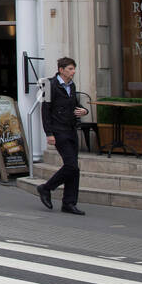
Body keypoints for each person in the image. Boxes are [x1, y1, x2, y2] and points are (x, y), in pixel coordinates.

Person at [37, 56, 89, 215]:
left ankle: (69, 203)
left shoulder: (71, 85)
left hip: (71, 129)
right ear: (61, 70)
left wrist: (84, 111)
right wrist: (49, 133)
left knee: (74, 169)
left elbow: (74, 105)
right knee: (71, 166)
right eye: (70, 69)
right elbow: (44, 111)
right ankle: (46, 188)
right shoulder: (48, 85)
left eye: (74, 69)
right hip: (58, 130)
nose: (73, 72)